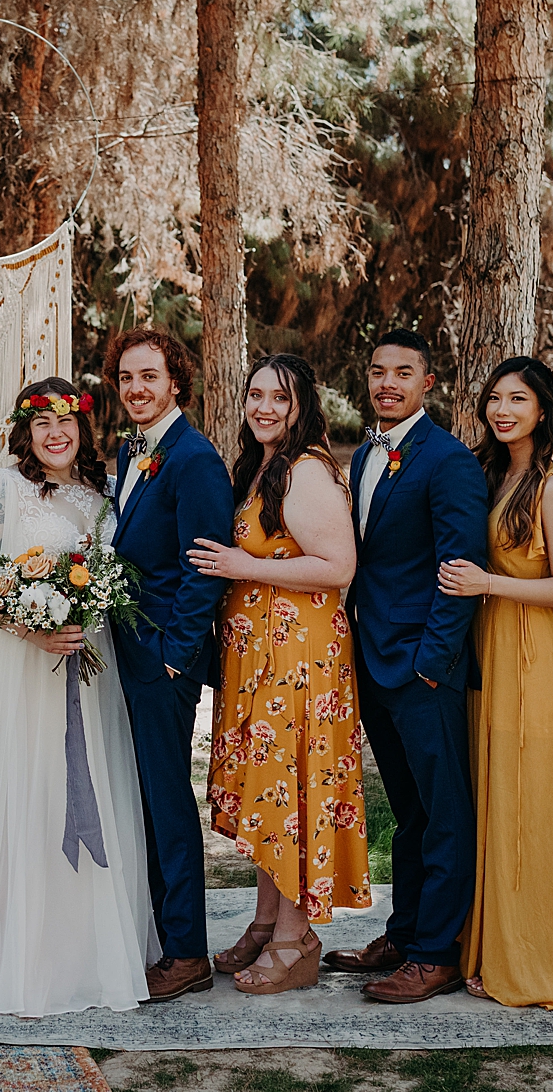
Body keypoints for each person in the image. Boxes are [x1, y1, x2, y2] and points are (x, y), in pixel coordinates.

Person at [0, 378, 160, 1016]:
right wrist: (24, 619)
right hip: (13, 670)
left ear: (82, 430)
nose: (56, 434)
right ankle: (4, 949)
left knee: (74, 789)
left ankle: (77, 950)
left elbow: (105, 581)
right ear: (26, 431)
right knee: (17, 793)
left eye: (67, 423)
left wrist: (77, 614)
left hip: (81, 671)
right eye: (43, 423)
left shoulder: (100, 500)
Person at [191, 354, 368, 997]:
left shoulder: (307, 469)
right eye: (255, 394)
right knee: (267, 795)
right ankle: (267, 922)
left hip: (299, 661)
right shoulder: (261, 465)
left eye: (280, 398)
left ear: (303, 407)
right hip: (256, 655)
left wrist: (243, 564)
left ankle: (299, 941)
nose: (264, 407)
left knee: (291, 795)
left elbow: (337, 566)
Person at [326, 329, 488, 1005]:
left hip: (424, 669)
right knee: (410, 812)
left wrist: (431, 664)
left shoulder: (446, 460)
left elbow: (458, 570)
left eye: (403, 372)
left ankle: (437, 953)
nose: (387, 382)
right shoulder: (366, 452)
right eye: (377, 370)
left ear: (427, 383)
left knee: (446, 811)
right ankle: (405, 931)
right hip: (375, 663)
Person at [444, 356, 553, 1009]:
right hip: (487, 652)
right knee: (492, 800)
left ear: (542, 410)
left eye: (518, 400)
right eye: (495, 399)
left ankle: (529, 963)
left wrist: (487, 584)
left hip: (531, 654)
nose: (503, 410)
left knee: (527, 804)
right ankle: (487, 944)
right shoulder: (485, 474)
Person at [103, 328, 235, 1003]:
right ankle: (156, 931)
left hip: (161, 661)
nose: (137, 389)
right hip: (125, 652)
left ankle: (186, 950)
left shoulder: (194, 458)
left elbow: (204, 571)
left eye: (149, 376)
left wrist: (174, 661)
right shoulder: (135, 453)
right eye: (127, 378)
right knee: (141, 797)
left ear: (176, 381)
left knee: (165, 801)